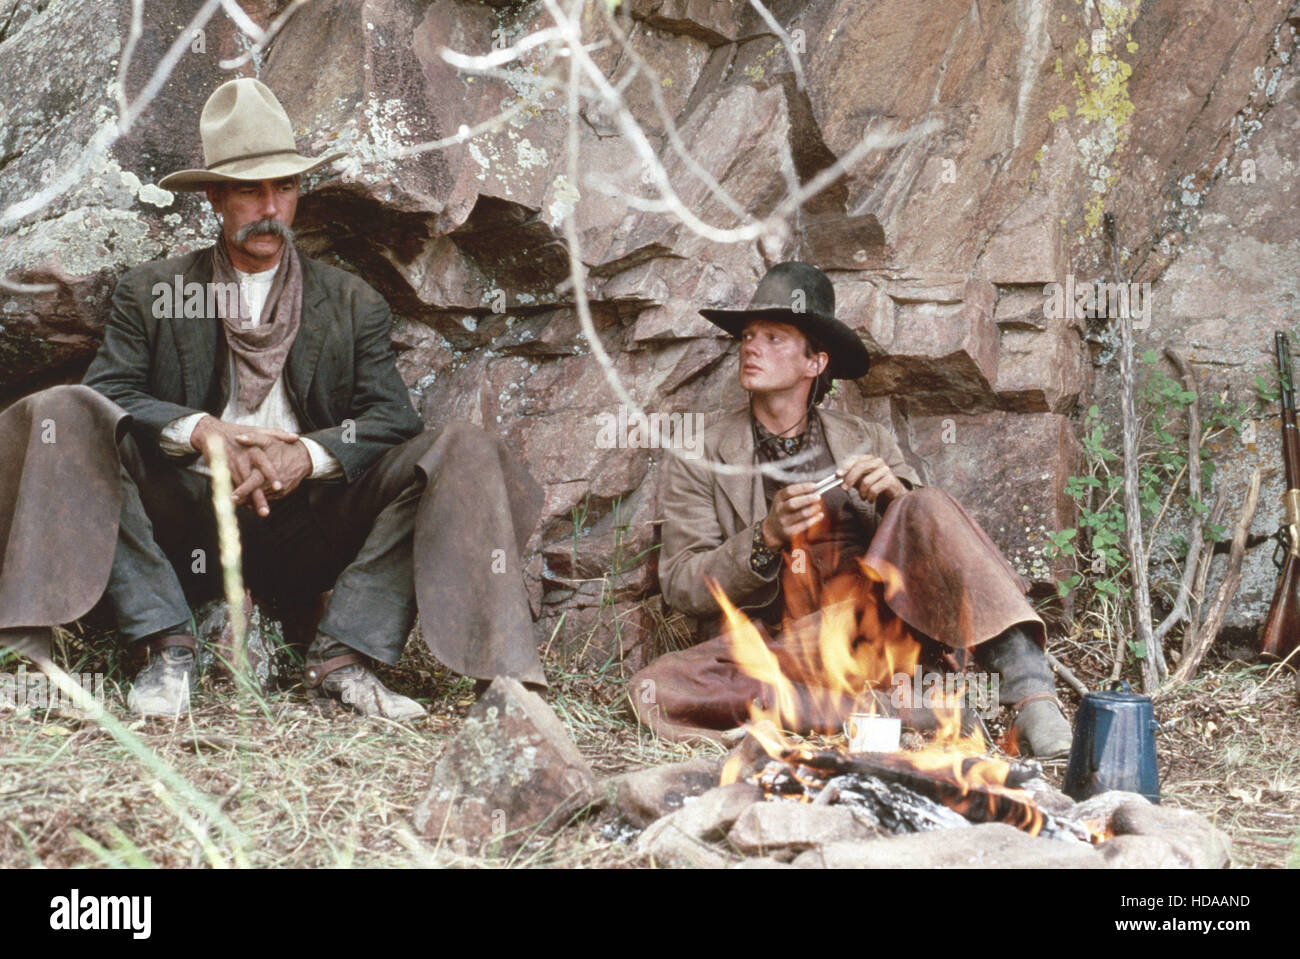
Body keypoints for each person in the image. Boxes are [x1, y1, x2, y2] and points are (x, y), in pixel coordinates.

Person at [0, 78, 545, 719]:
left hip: (309, 530)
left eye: (283, 187)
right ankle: (157, 646)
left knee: (464, 449)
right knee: (65, 412)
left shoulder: (350, 300)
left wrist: (307, 456)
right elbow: (109, 393)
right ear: (214, 198)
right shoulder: (152, 290)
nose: (270, 207)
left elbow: (391, 418)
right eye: (250, 190)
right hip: (187, 526)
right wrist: (203, 431)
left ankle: (383, 664)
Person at [628, 262, 1074, 758]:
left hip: (883, 623)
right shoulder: (702, 456)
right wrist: (765, 537)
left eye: (774, 338)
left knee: (923, 502)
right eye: (749, 336)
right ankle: (906, 713)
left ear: (815, 364)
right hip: (791, 644)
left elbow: (939, 547)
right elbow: (683, 585)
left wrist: (892, 496)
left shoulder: (869, 440)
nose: (752, 347)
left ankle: (1034, 696)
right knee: (658, 688)